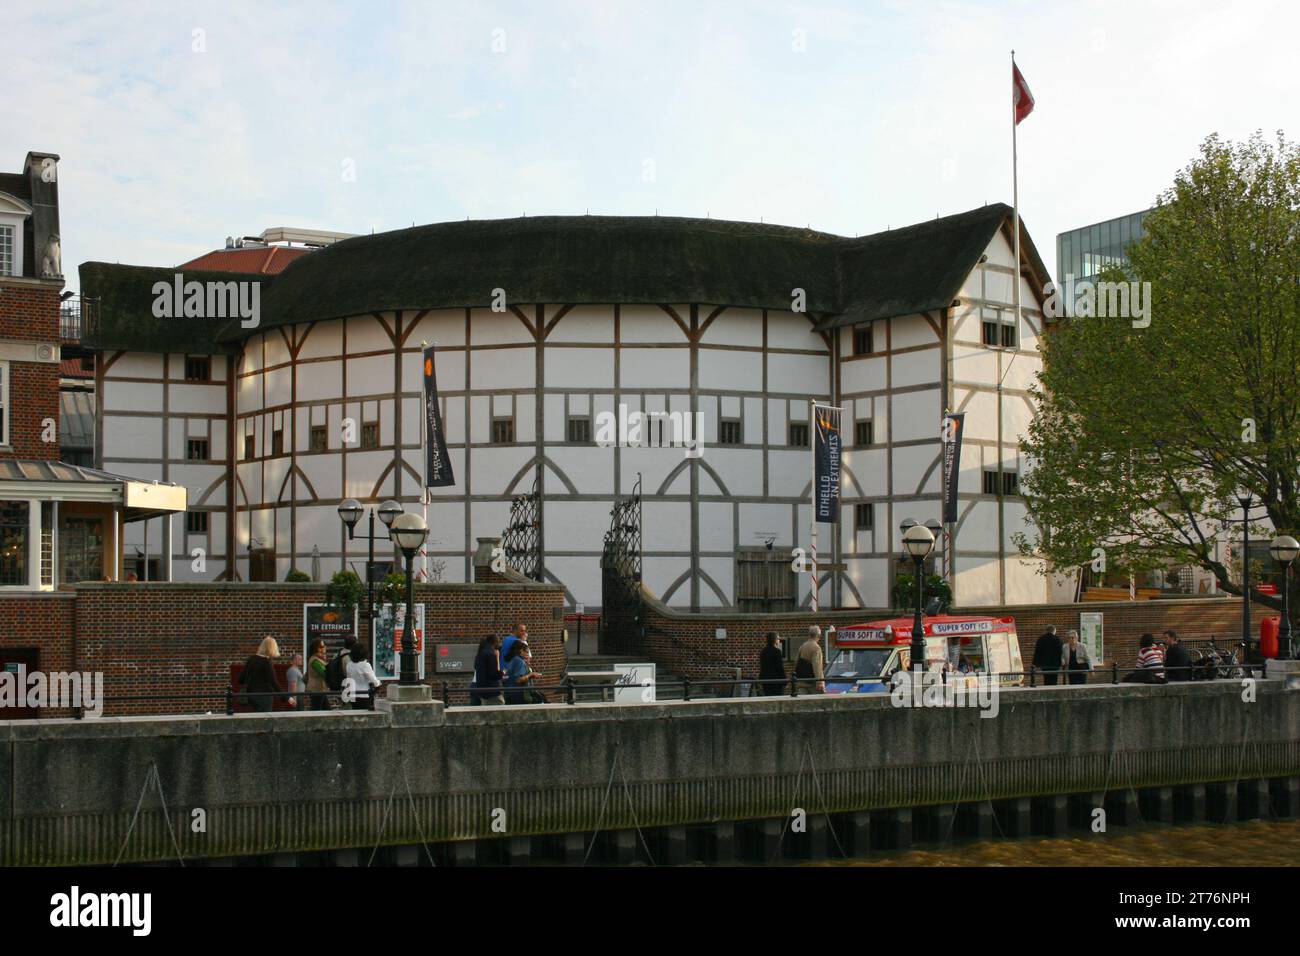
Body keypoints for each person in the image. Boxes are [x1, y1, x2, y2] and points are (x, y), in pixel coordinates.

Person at [237, 636, 289, 713]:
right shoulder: (266, 662)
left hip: (251, 696)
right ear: (272, 648)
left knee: (258, 719)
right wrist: (286, 697)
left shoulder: (251, 659)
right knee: (265, 721)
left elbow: (240, 679)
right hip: (264, 696)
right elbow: (274, 683)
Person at [504, 639, 542, 704]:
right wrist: (531, 675)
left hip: (509, 692)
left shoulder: (514, 659)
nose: (528, 655)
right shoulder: (520, 662)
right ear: (521, 651)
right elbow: (518, 680)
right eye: (527, 652)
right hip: (517, 694)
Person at [346, 642, 381, 708]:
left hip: (352, 694)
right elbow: (375, 682)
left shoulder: (349, 665)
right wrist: (378, 683)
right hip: (364, 695)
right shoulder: (365, 665)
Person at [473, 634, 505, 705]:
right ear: (495, 642)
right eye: (498, 642)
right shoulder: (491, 654)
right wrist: (502, 672)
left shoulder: (480, 653)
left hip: (482, 690)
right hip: (492, 691)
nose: (499, 644)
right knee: (501, 711)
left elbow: (476, 667)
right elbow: (493, 674)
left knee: (486, 712)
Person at [795, 625, 825, 693]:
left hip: (801, 682)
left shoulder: (802, 646)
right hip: (812, 683)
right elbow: (817, 666)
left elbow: (796, 661)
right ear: (818, 635)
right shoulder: (816, 648)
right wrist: (820, 683)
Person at [306, 639, 329, 710]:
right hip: (316, 690)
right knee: (316, 710)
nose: (324, 648)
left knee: (327, 710)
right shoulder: (314, 660)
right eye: (321, 646)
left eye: (324, 645)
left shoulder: (319, 659)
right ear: (316, 648)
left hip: (321, 689)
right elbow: (324, 673)